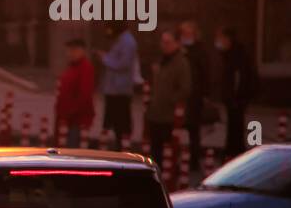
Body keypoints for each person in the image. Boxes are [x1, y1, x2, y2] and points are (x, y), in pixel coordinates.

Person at [145, 29, 192, 165]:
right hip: (155, 113)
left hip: (168, 115)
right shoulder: (161, 61)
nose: (164, 45)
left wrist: (170, 100)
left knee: (168, 153)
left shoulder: (181, 63)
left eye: (168, 42)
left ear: (177, 43)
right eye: (163, 42)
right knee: (155, 151)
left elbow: (185, 88)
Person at [95, 22, 139, 150]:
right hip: (113, 89)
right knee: (111, 122)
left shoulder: (128, 42)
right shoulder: (120, 40)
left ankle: (122, 148)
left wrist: (105, 58)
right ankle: (114, 146)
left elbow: (123, 64)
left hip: (120, 90)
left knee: (121, 123)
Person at [216, 26, 258, 159]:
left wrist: (235, 96)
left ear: (228, 39)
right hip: (233, 97)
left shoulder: (237, 55)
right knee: (233, 124)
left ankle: (235, 151)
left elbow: (238, 77)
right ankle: (232, 149)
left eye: (221, 38)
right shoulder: (229, 54)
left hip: (237, 98)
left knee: (236, 124)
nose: (219, 41)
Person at [179, 21, 210, 170]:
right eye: (183, 34)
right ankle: (180, 158)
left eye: (187, 34)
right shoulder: (181, 49)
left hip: (195, 95)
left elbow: (204, 72)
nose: (185, 36)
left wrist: (204, 93)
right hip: (183, 94)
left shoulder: (199, 51)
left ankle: (194, 160)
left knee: (193, 129)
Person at [55, 38, 96, 148]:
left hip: (76, 119)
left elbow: (85, 94)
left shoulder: (85, 68)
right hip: (66, 117)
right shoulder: (71, 67)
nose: (70, 53)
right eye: (69, 50)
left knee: (72, 150)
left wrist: (71, 111)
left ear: (82, 51)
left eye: (74, 50)